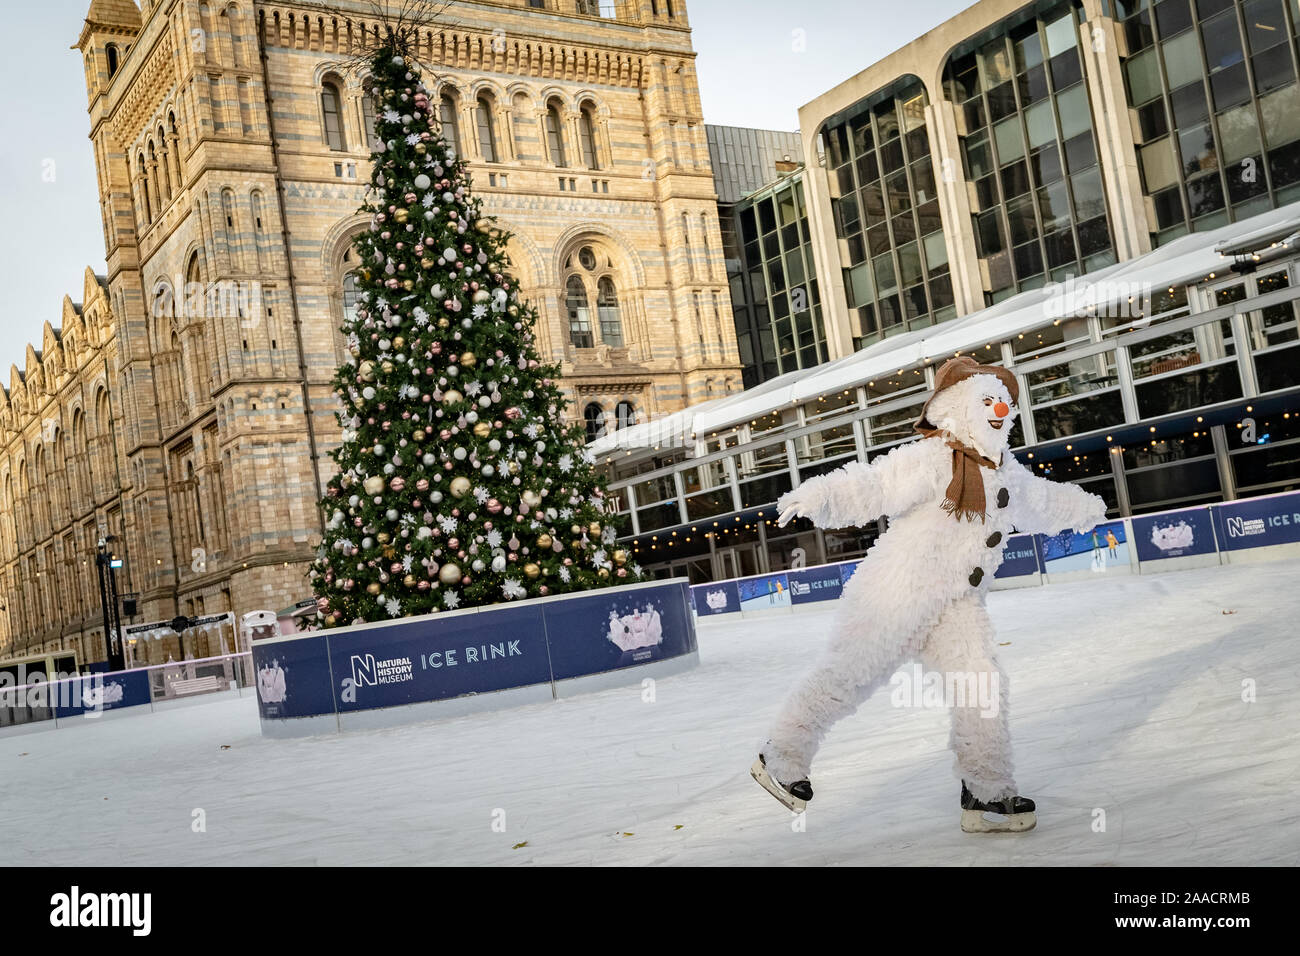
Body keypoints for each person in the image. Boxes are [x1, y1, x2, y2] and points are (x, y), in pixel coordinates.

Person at [751, 356, 1107, 833]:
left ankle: (986, 795)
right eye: (987, 401)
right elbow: (876, 484)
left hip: (955, 601)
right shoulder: (935, 456)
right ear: (959, 407)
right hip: (896, 590)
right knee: (847, 677)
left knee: (980, 683)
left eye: (1003, 402)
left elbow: (1041, 500)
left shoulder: (1005, 470)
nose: (999, 410)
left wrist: (1086, 507)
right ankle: (781, 759)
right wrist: (820, 497)